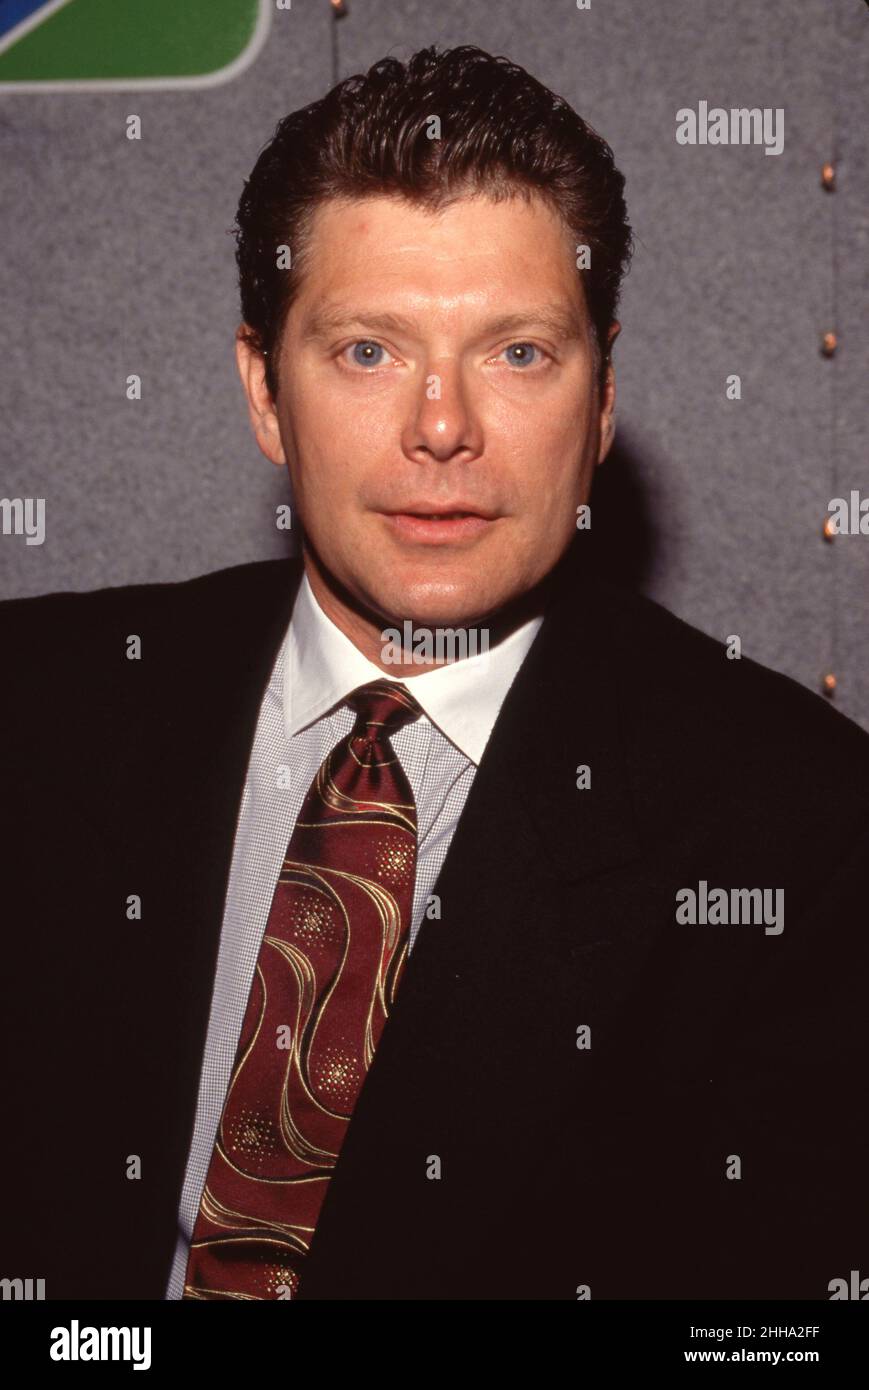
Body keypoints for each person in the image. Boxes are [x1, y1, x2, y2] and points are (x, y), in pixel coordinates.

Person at [2, 44, 867, 1302]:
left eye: (517, 353)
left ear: (603, 397)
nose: (442, 425)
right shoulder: (35, 712)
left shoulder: (800, 828)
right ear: (262, 391)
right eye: (366, 351)